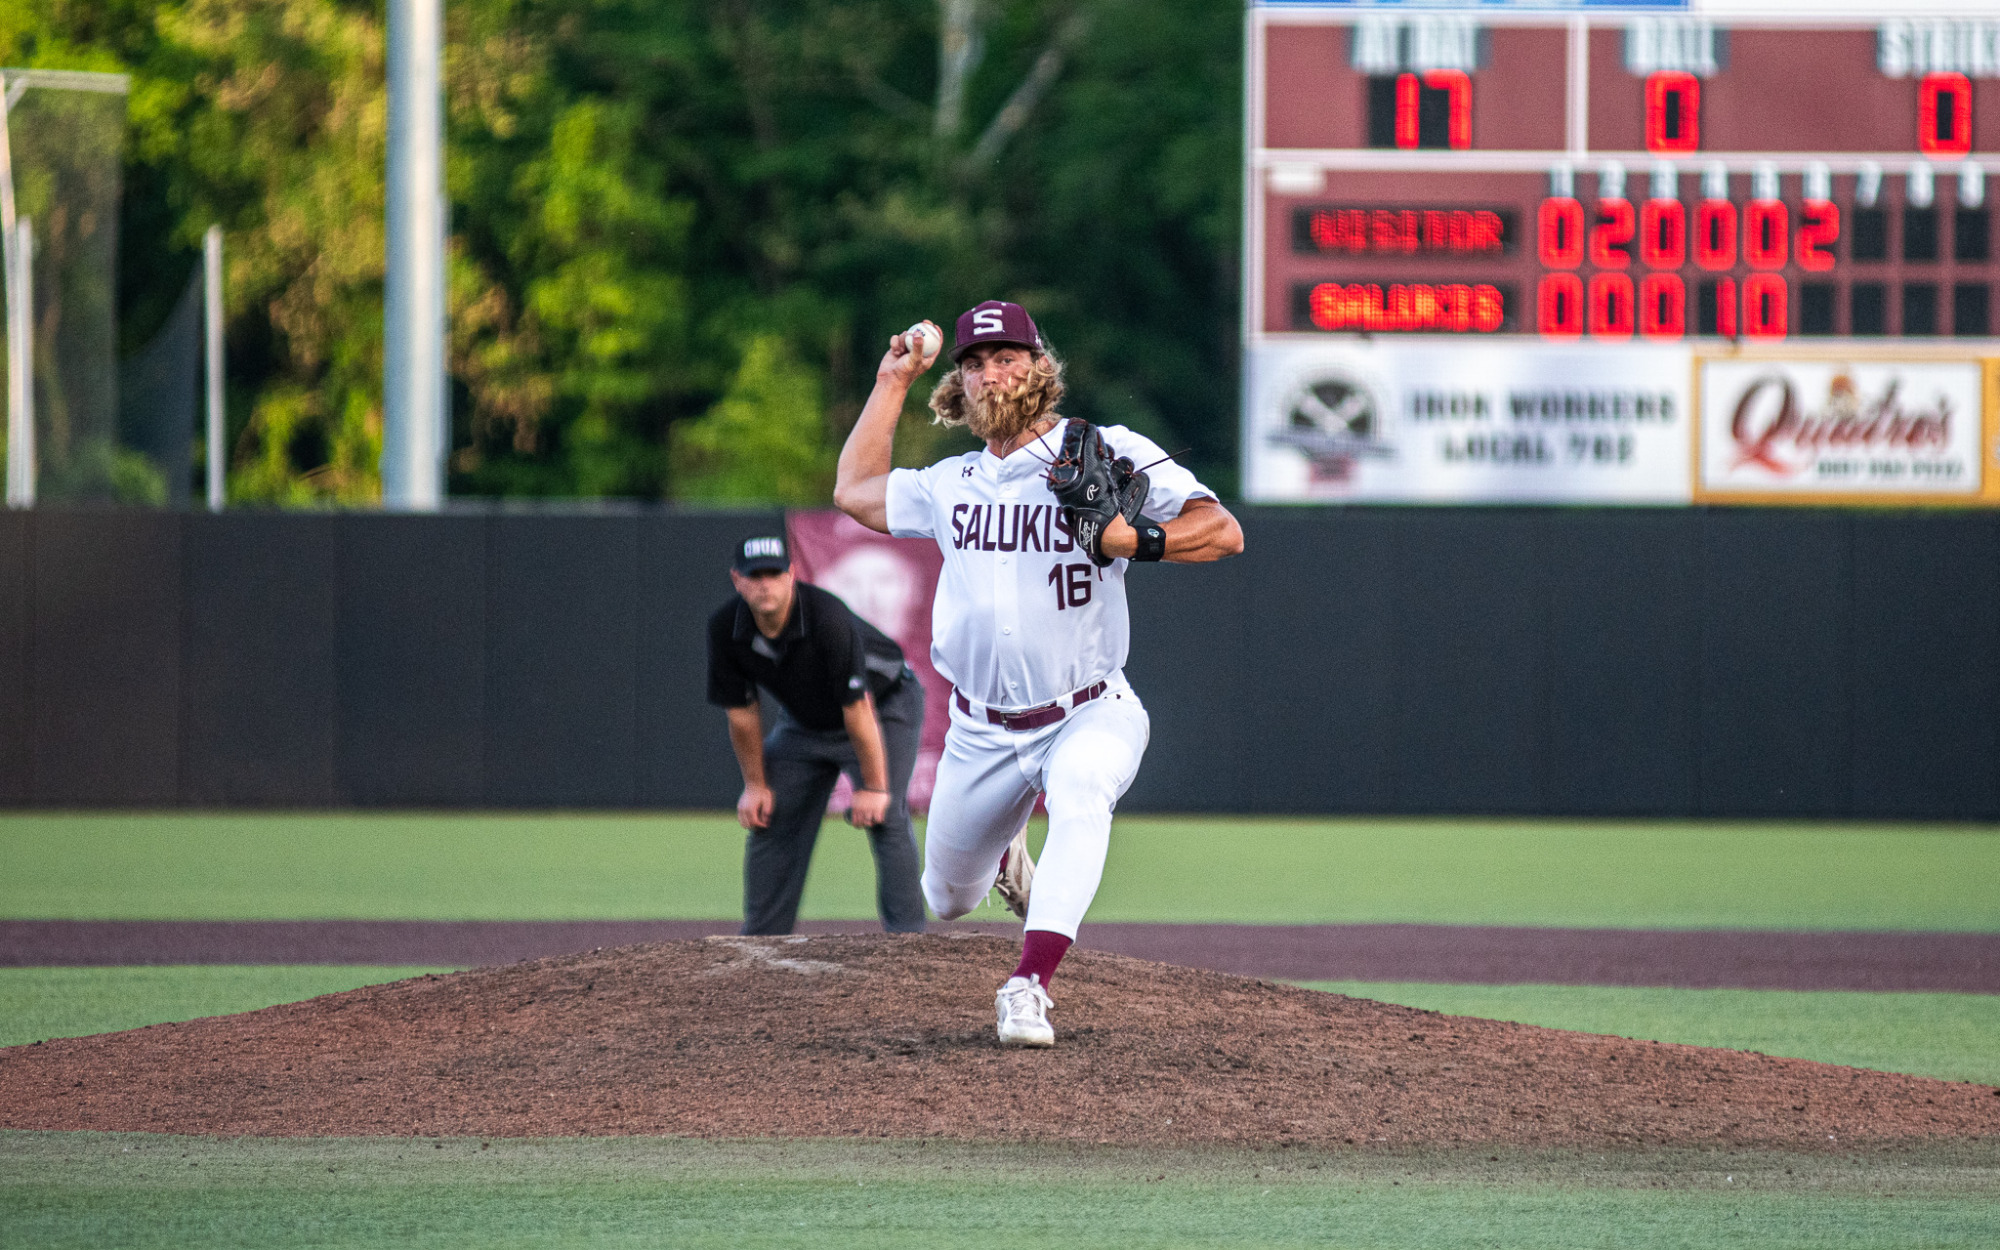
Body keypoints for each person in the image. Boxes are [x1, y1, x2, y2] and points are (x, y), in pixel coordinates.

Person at [832, 300, 1244, 1046]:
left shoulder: (1105, 448)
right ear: (958, 386)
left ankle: (1028, 986)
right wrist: (892, 381)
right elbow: (855, 493)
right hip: (980, 729)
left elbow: (1222, 530)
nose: (993, 372)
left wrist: (1129, 536)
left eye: (1008, 356)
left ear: (1039, 367)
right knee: (946, 898)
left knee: (1083, 791)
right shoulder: (949, 482)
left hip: (1088, 708)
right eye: (976, 363)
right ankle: (1009, 853)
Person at [706, 534, 927, 936]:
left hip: (884, 704)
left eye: (774, 573)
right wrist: (755, 784)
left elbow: (858, 709)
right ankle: (762, 944)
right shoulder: (726, 628)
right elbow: (741, 715)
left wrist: (875, 787)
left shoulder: (826, 616)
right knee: (769, 814)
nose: (765, 584)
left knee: (886, 814)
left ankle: (908, 943)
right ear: (737, 580)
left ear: (792, 575)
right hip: (805, 723)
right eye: (755, 576)